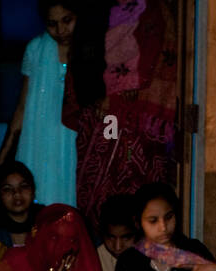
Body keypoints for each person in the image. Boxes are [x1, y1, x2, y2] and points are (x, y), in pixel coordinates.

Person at [61, 0, 177, 236]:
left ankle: (142, 250)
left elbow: (165, 58)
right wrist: (100, 94)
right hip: (99, 114)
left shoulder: (155, 10)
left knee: (138, 187)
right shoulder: (94, 9)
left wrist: (132, 87)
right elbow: (81, 59)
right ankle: (101, 249)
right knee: (96, 187)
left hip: (139, 120)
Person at [0, 3, 78, 207]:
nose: (60, 31)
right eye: (52, 24)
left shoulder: (93, 47)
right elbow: (22, 106)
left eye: (67, 20)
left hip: (76, 139)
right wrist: (2, 158)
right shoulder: (35, 49)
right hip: (40, 141)